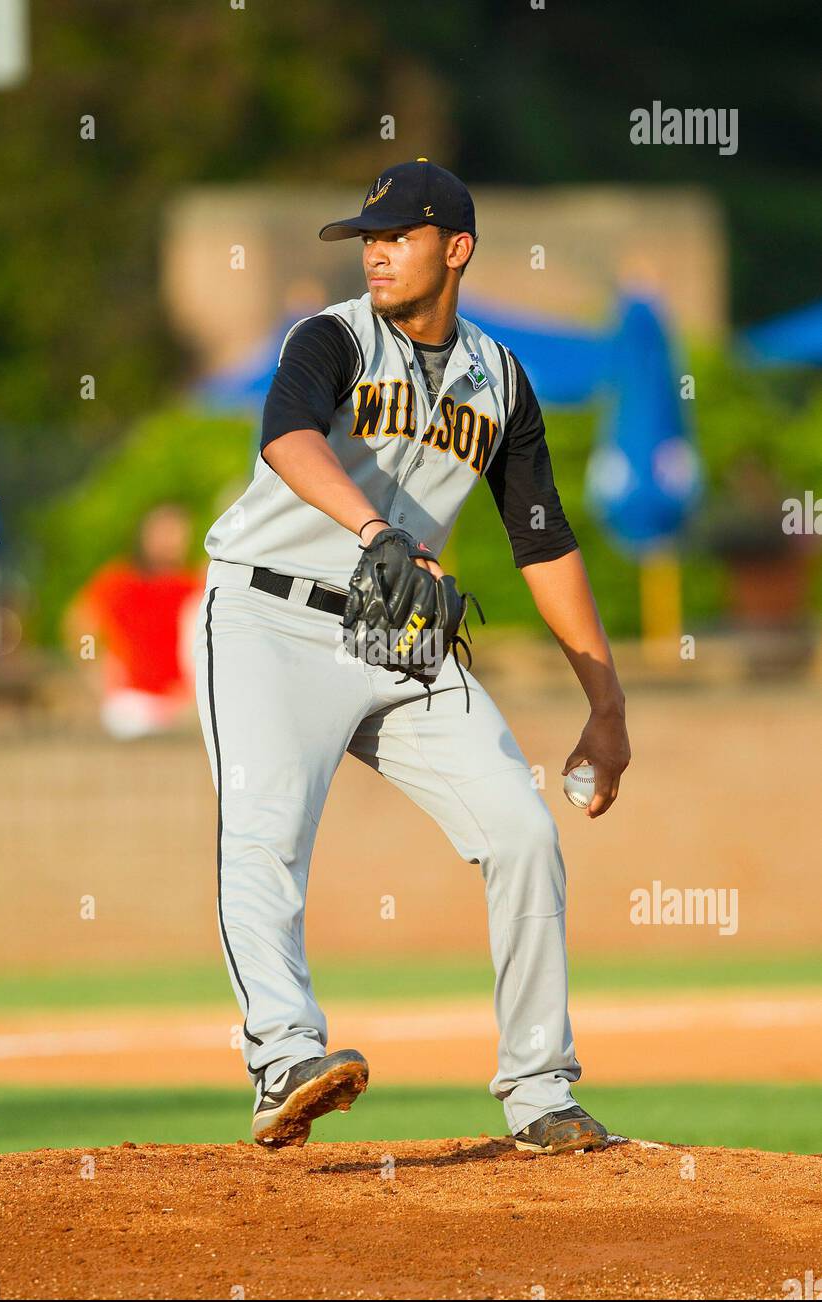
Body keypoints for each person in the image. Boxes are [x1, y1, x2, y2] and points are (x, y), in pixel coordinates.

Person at [193, 160, 630, 1153]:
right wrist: (373, 528)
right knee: (264, 833)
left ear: (455, 248)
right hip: (265, 613)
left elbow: (542, 539)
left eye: (397, 235)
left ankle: (538, 1091)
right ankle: (286, 1056)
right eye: (368, 238)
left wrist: (604, 704)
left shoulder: (501, 378)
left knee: (521, 830)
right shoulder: (330, 337)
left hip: (391, 631)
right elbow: (286, 437)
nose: (377, 252)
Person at [68, 503, 203, 739]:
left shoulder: (192, 585)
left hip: (180, 705)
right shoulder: (119, 582)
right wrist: (93, 665)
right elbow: (82, 626)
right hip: (131, 703)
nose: (170, 541)